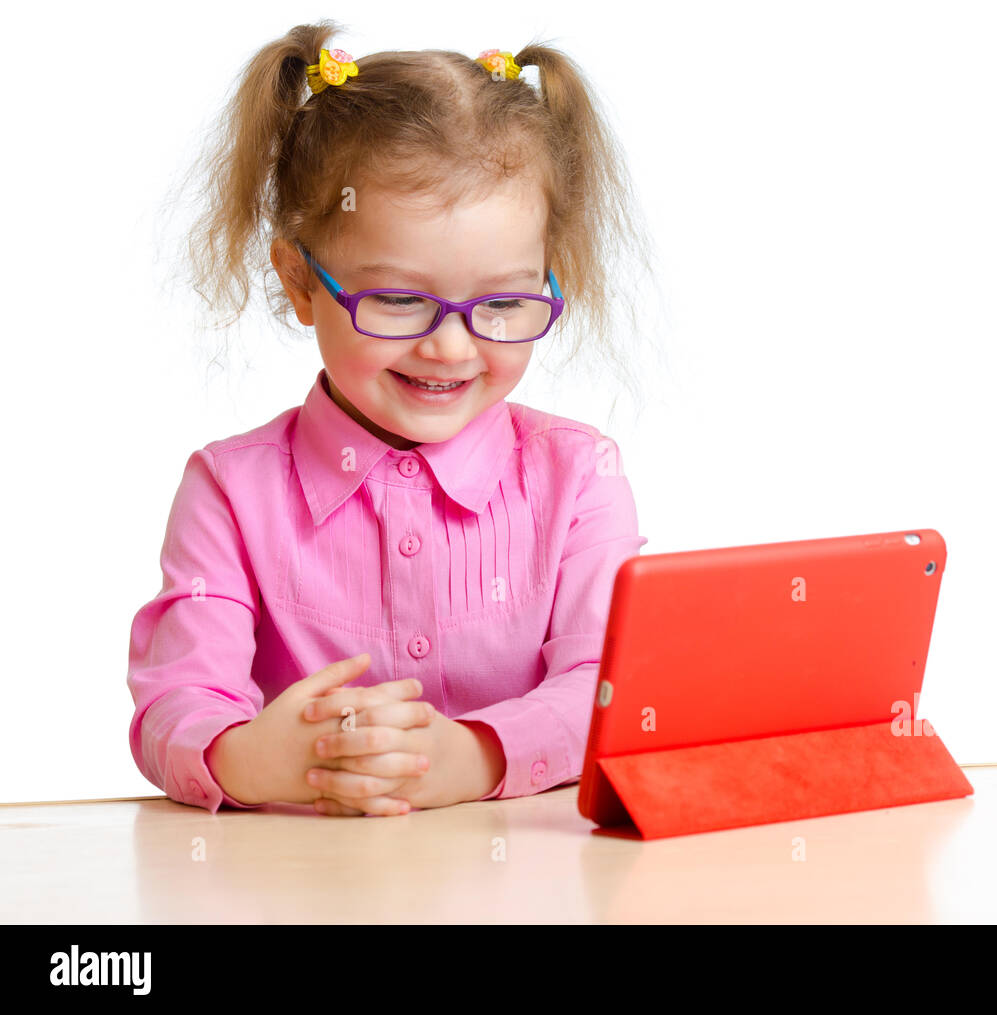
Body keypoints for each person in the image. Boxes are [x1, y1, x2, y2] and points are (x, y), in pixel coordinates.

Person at [127, 21, 654, 817]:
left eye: (504, 302)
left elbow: (612, 687)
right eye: (402, 300)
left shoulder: (581, 478)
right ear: (302, 281)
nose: (450, 346)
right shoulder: (230, 491)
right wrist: (249, 758)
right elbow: (177, 701)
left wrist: (472, 753)